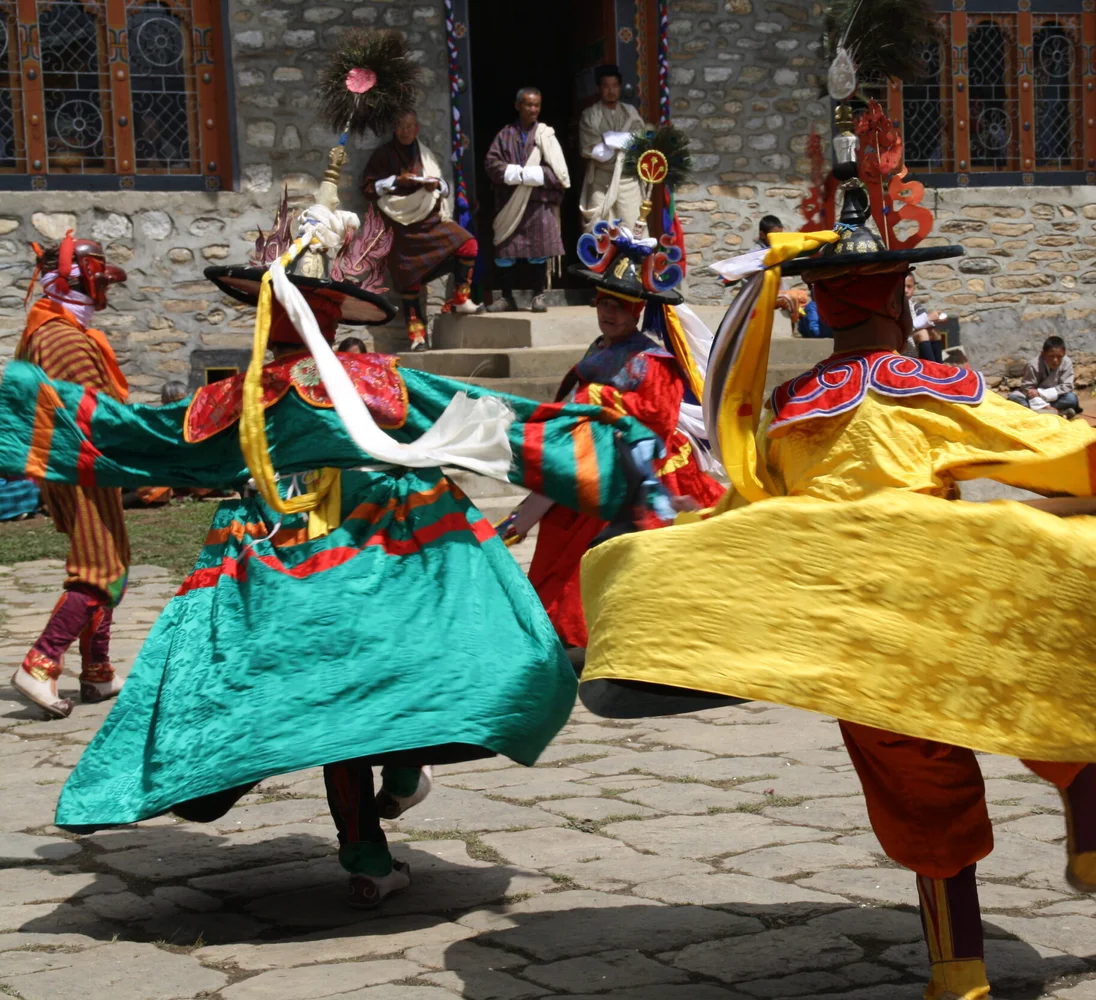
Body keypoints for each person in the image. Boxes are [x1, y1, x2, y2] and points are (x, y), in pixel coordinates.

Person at [577, 190, 1096, 998]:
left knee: (919, 783)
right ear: (902, 297)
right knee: (1052, 686)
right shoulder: (927, 382)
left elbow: (755, 510)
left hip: (856, 624)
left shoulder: (787, 410)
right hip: (944, 592)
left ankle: (959, 977)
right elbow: (1055, 450)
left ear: (825, 313)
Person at [0, 206, 675, 908]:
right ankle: (365, 816)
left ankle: (342, 814)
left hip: (278, 569)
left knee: (333, 701)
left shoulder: (237, 400)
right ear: (328, 316)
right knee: (369, 689)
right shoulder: (368, 384)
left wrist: (31, 407)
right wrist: (606, 451)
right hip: (376, 564)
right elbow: (479, 420)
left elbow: (145, 438)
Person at [508, 223, 724, 651]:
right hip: (585, 455)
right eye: (605, 304)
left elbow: (659, 420)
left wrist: (600, 399)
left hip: (636, 463)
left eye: (620, 308)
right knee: (560, 526)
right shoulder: (597, 349)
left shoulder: (652, 360)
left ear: (637, 312)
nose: (610, 315)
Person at [9, 234, 131, 718]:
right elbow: (90, 411)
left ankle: (97, 671)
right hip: (77, 465)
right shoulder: (59, 335)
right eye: (100, 278)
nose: (105, 289)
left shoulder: (62, 327)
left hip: (83, 466)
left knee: (110, 556)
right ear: (79, 277)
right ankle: (39, 663)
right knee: (100, 567)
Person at [361, 110, 479, 351]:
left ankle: (460, 298)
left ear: (417, 128)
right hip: (400, 225)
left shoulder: (426, 155)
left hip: (431, 220)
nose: (405, 131)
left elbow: (445, 187)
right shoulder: (383, 155)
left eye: (410, 126)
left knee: (468, 245)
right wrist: (396, 181)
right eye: (401, 126)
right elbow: (368, 188)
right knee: (409, 281)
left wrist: (437, 184)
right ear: (395, 128)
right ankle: (417, 337)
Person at [486, 87, 570, 314]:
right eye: (528, 104)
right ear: (518, 106)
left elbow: (560, 173)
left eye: (536, 105)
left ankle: (538, 295)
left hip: (537, 203)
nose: (532, 109)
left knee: (539, 250)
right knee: (505, 251)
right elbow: (492, 165)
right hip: (510, 204)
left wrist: (536, 175)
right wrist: (516, 173)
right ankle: (506, 297)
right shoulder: (505, 135)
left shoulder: (546, 136)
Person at [579, 64, 645, 230]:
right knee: (600, 231)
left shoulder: (631, 112)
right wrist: (624, 142)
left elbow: (640, 141)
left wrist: (609, 139)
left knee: (633, 228)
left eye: (615, 86)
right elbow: (596, 151)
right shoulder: (590, 115)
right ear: (598, 88)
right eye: (606, 86)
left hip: (628, 179)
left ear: (620, 87)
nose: (611, 90)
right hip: (601, 180)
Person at [130, 382, 192, 508]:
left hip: (189, 468)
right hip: (163, 469)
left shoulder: (193, 418)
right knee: (157, 490)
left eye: (181, 400)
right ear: (164, 402)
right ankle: (124, 501)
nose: (177, 406)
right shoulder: (157, 421)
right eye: (172, 402)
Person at [1008, 335, 1079, 418]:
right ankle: (1057, 413)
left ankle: (1043, 412)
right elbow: (1028, 389)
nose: (1055, 360)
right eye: (1051, 356)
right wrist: (1043, 403)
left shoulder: (1066, 362)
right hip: (1034, 399)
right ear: (1043, 354)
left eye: (1059, 357)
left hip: (1053, 397)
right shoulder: (1033, 365)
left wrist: (1041, 393)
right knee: (1014, 397)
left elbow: (1067, 386)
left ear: (1064, 354)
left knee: (1071, 399)